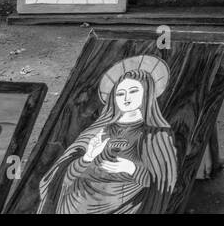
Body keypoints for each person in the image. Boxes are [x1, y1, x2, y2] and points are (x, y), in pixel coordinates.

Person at [35, 63, 179, 214]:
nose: (126, 98)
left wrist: (131, 168)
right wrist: (88, 157)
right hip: (73, 202)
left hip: (125, 204)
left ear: (147, 93)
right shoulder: (97, 131)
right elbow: (62, 177)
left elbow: (162, 180)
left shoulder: (156, 135)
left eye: (134, 91)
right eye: (120, 93)